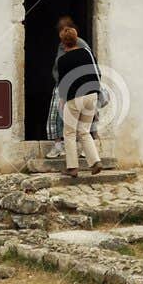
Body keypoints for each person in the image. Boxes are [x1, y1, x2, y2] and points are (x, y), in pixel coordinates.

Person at [53, 27, 102, 177]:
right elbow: (96, 71)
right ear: (76, 39)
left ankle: (72, 168)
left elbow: (63, 82)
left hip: (75, 97)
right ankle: (95, 162)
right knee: (84, 130)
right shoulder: (86, 52)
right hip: (91, 94)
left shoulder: (62, 60)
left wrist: (62, 99)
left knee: (69, 132)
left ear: (63, 43)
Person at [46, 15, 90, 159]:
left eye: (63, 30)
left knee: (81, 118)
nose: (61, 34)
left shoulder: (82, 44)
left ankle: (84, 149)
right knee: (54, 116)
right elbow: (58, 66)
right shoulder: (61, 45)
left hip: (78, 87)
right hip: (61, 84)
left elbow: (89, 65)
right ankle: (58, 146)